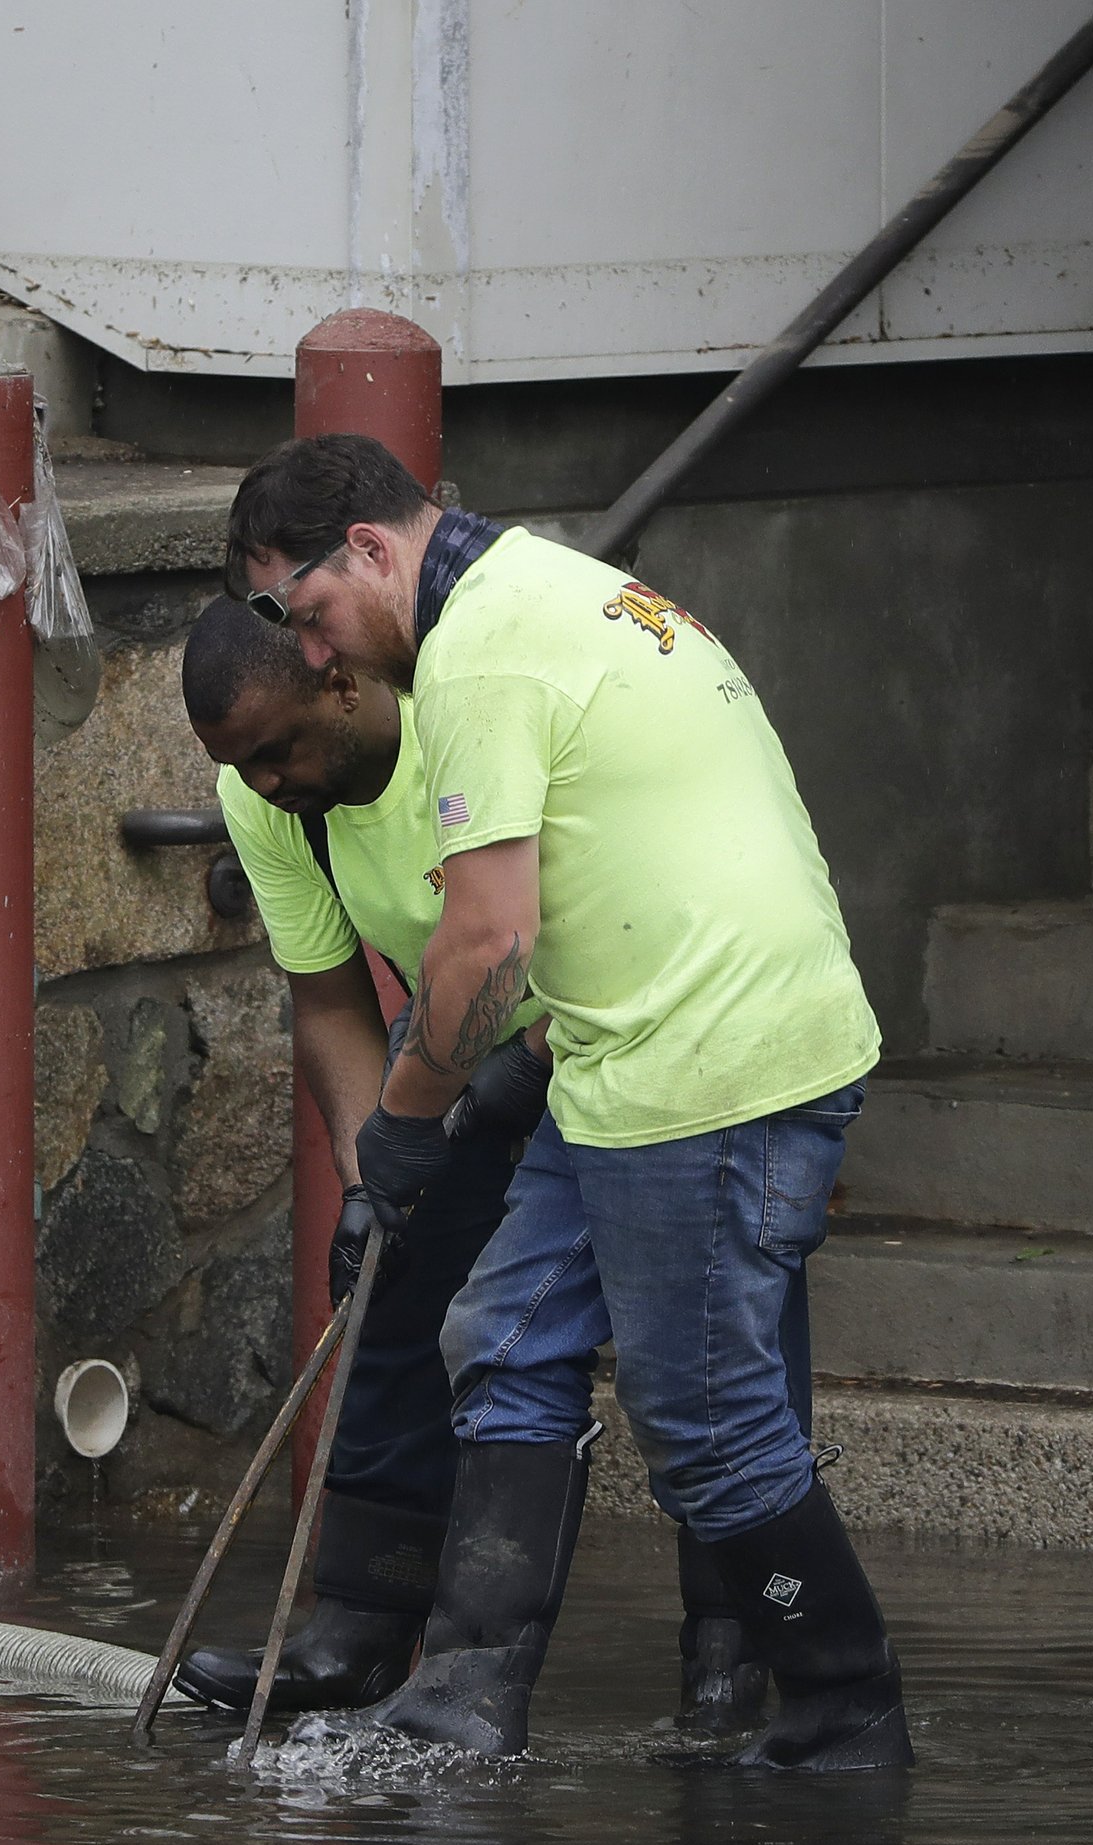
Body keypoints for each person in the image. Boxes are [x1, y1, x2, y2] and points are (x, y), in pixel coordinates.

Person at [221, 432, 907, 1772]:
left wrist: (403, 1129)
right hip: (623, 1048)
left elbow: (483, 948)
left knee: (706, 1423)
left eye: (309, 618)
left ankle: (843, 1702)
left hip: (708, 1058)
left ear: (370, 549)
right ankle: (462, 1700)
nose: (314, 656)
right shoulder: (553, 588)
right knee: (505, 1333)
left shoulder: (483, 649)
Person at [171, 596, 788, 1735]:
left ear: (342, 683)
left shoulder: (477, 731)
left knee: (703, 1354)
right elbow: (331, 1000)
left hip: (650, 1028)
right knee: (394, 1276)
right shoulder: (271, 803)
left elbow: (608, 923)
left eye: (275, 750)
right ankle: (366, 1622)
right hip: (464, 1052)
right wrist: (375, 1178)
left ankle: (734, 1655)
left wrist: (515, 1070)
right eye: (236, 765)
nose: (261, 783)